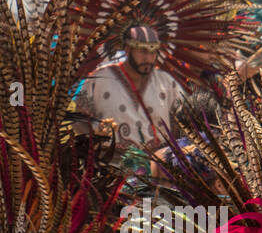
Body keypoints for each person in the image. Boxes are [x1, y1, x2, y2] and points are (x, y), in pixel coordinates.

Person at [74, 24, 184, 174]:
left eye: (153, 52)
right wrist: (95, 133)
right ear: (127, 49)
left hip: (156, 172)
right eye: (142, 51)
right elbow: (78, 120)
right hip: (110, 169)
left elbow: (183, 122)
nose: (148, 58)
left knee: (149, 199)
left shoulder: (167, 82)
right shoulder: (99, 80)